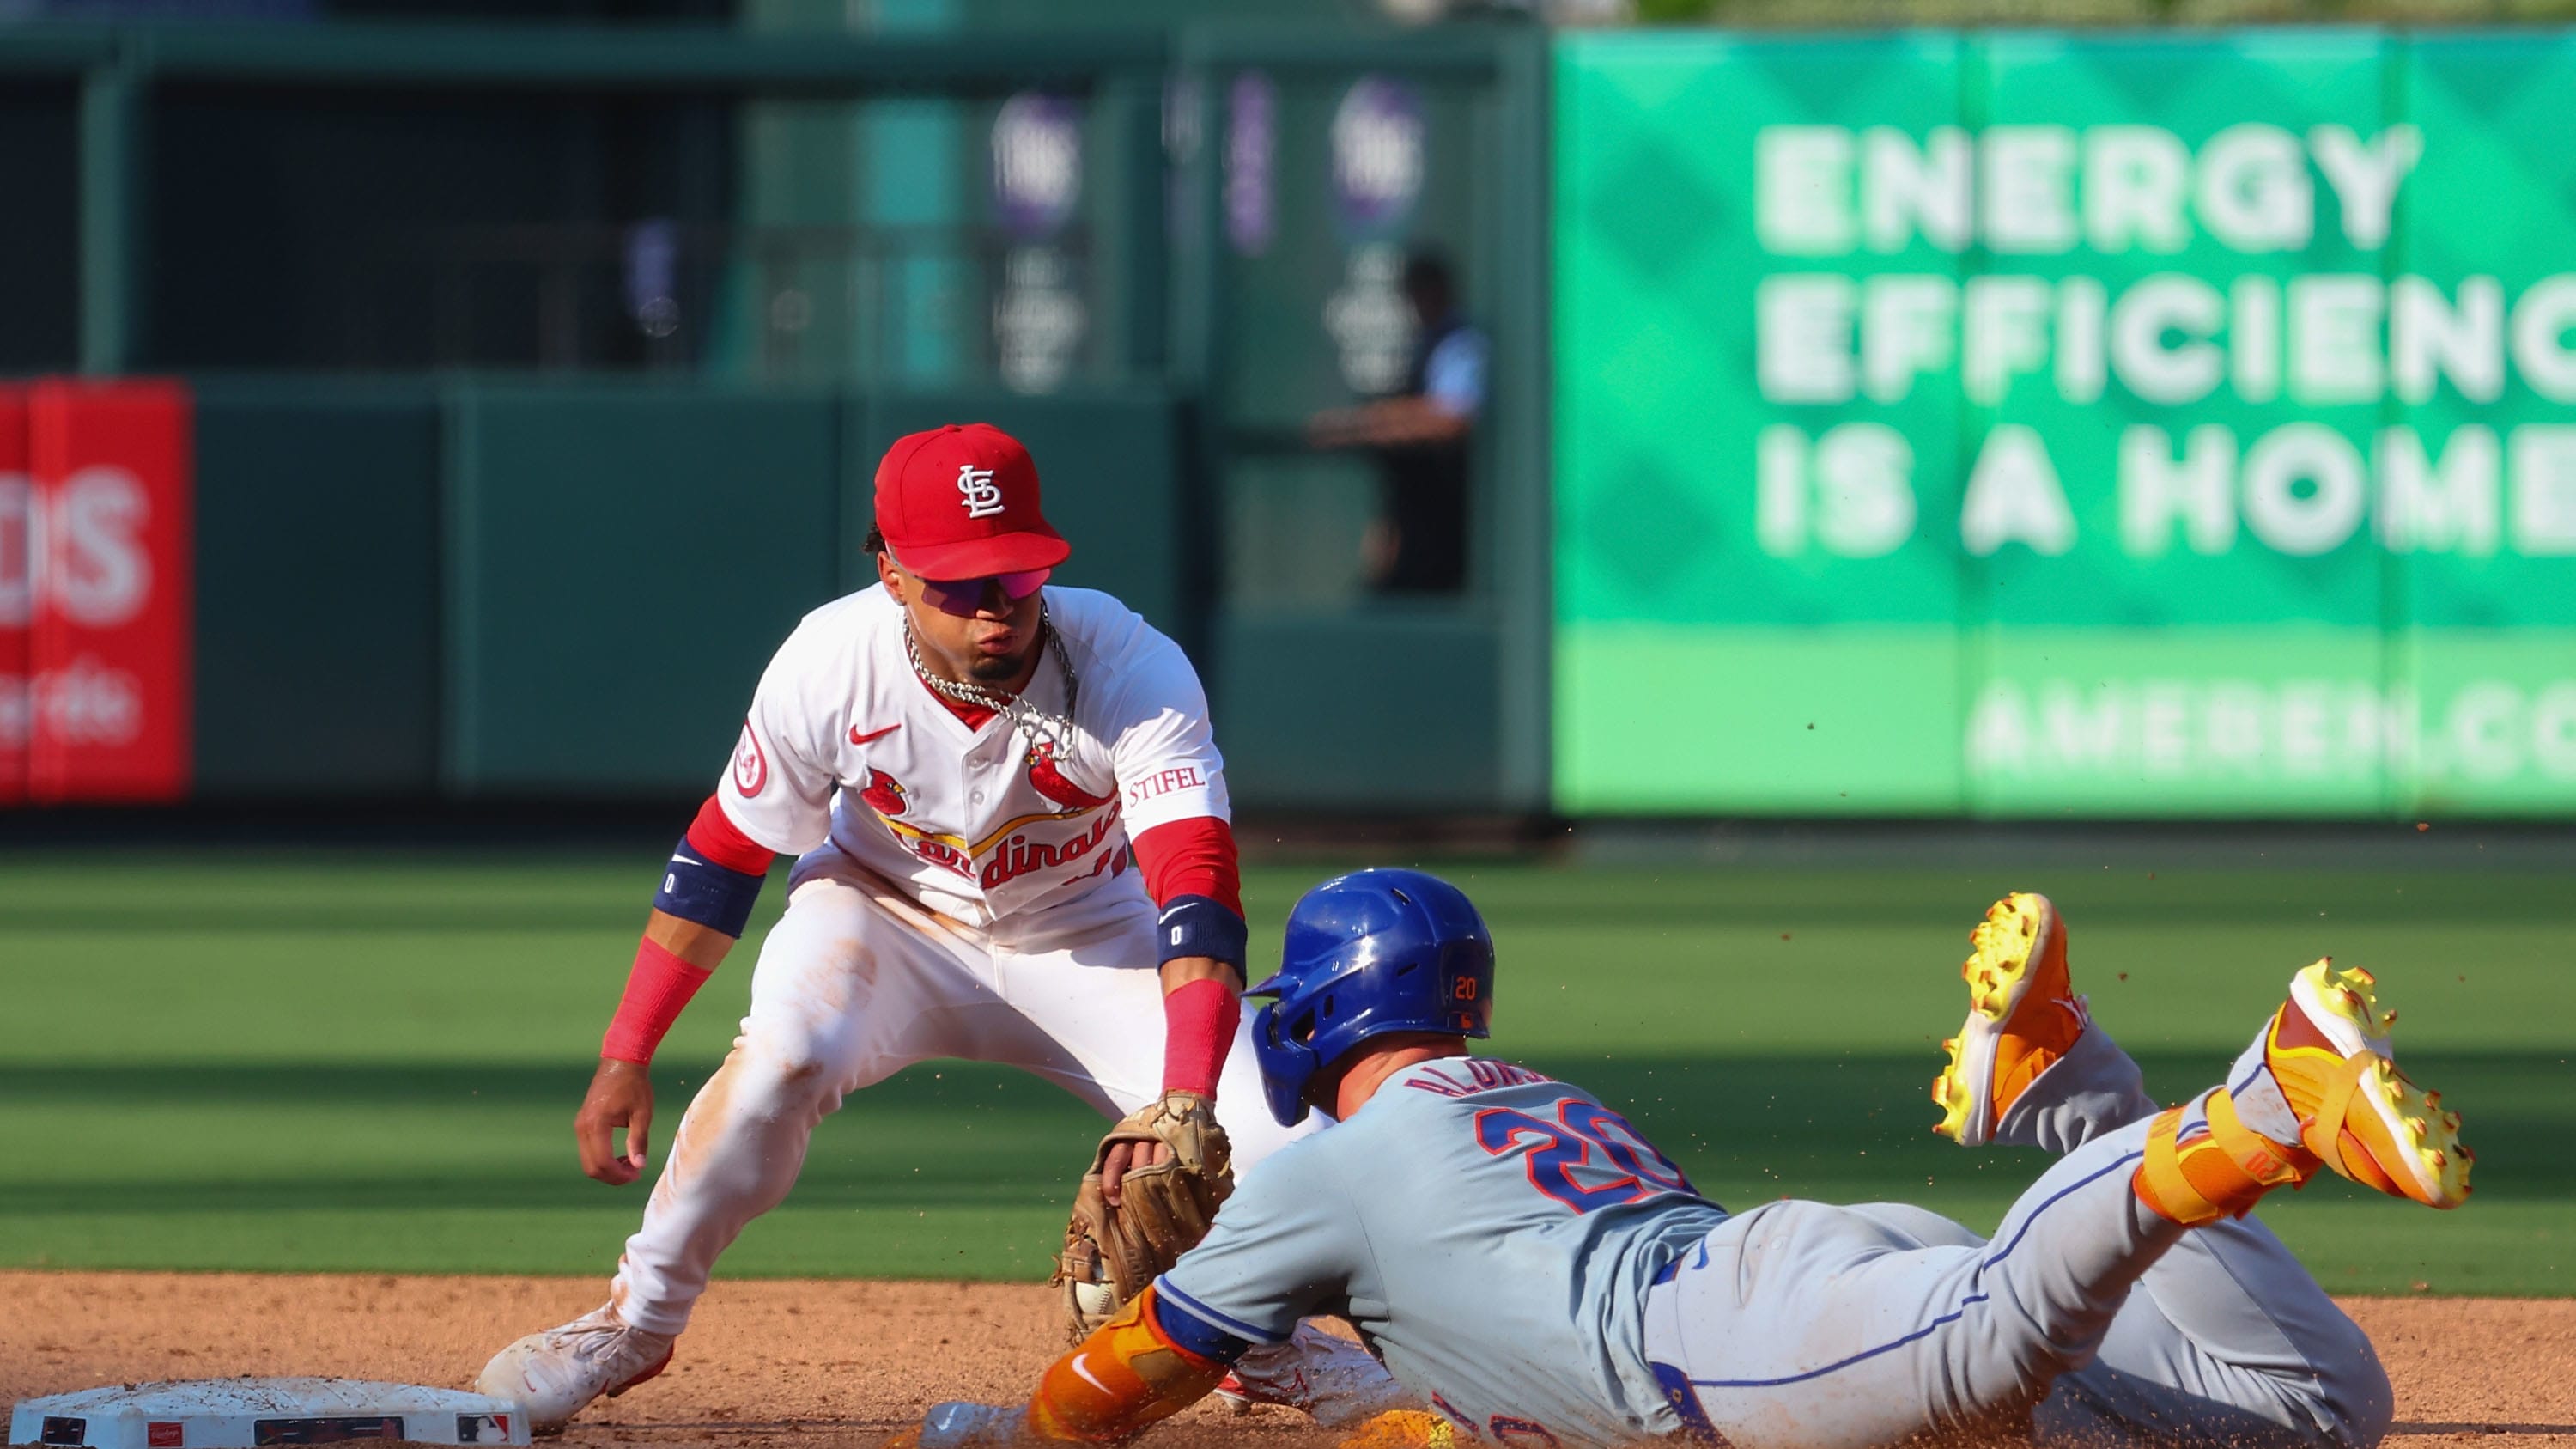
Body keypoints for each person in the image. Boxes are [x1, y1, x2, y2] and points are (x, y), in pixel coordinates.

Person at [476, 423, 1402, 1433]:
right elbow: (722, 863)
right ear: (891, 572)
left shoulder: (1130, 665)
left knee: (1279, 1141)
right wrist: (626, 1051)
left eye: (1012, 573)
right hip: (883, 915)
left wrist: (1184, 1096)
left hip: (1091, 930)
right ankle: (634, 1325)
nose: (994, 605)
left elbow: (1198, 891)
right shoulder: (828, 663)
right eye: (957, 582)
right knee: (784, 1056)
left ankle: (1247, 1343)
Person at [886, 876, 2472, 1449]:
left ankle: (2253, 1108)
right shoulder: (1518, 1106)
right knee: (2314, 1417)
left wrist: (1002, 1431)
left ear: (1317, 1018)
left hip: (1738, 1346)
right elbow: (1476, 1357)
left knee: (1999, 1340)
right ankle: (2074, 1095)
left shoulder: (1337, 1168)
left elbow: (1117, 1386)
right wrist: (1330, 1376)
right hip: (1794, 1295)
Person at [1309, 248, 1485, 594]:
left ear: (1442, 290)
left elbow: (1452, 416)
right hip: (1410, 515)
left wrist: (1361, 425)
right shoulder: (1424, 343)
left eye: (1422, 291)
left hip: (1447, 519)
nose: (1416, 304)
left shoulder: (1461, 342)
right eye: (1411, 293)